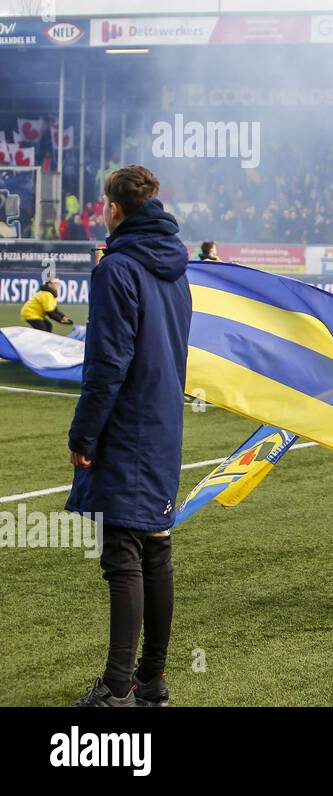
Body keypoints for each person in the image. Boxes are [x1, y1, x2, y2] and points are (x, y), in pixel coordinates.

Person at [67, 166, 191, 707]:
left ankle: (118, 686)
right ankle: (152, 680)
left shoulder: (116, 267)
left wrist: (84, 433)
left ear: (114, 208)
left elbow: (108, 362)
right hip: (163, 423)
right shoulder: (176, 268)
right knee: (156, 550)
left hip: (127, 426)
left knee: (123, 554)